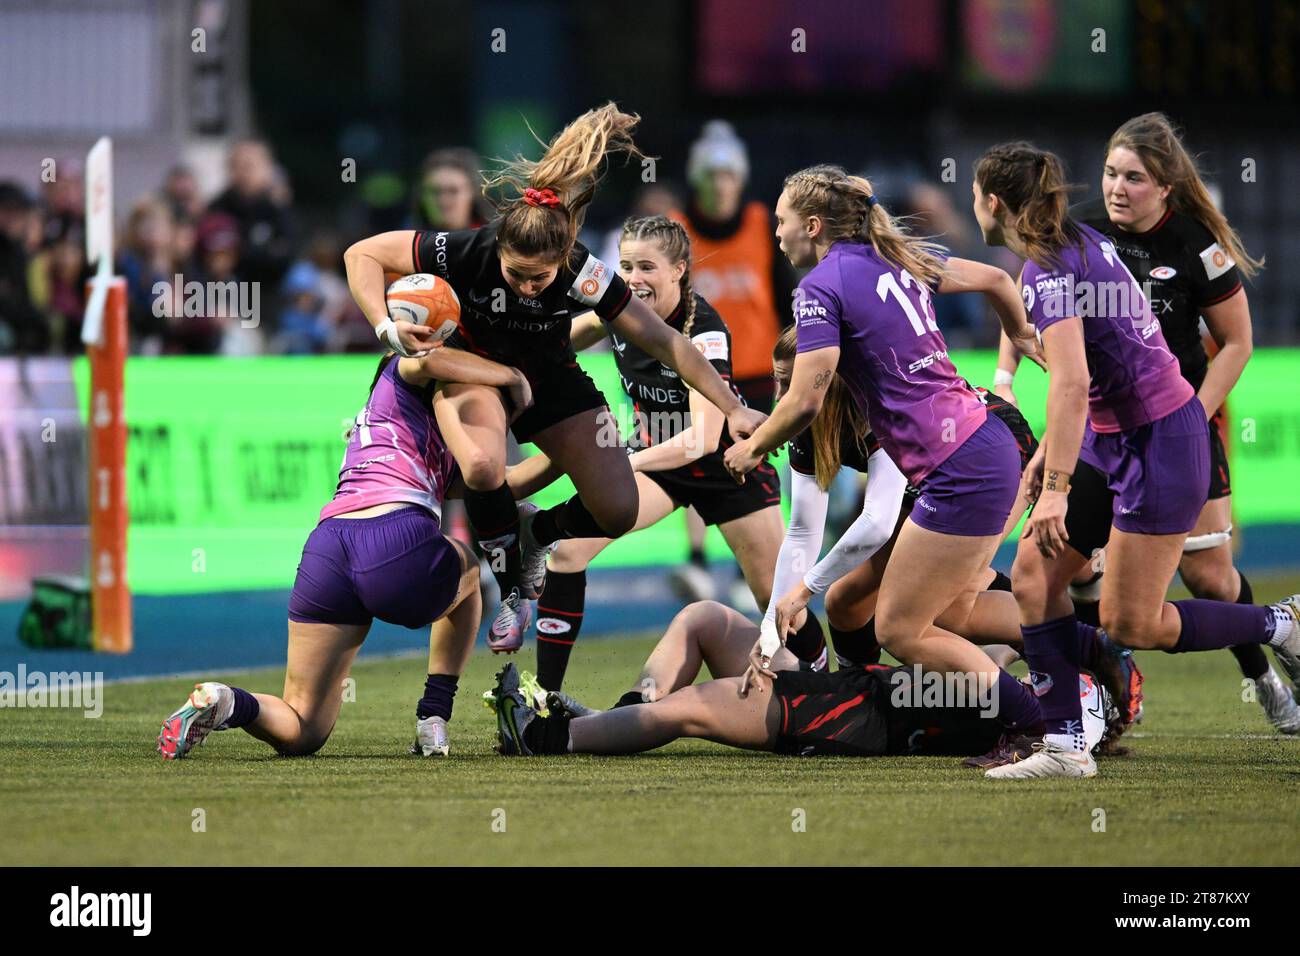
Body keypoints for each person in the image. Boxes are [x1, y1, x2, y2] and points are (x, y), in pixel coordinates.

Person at [341, 104, 767, 654]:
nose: (525, 287)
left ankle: (535, 532)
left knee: (618, 509)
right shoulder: (469, 249)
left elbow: (666, 341)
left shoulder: (584, 272)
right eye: (514, 275)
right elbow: (362, 253)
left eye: (538, 278)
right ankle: (514, 589)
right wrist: (384, 326)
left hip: (550, 377)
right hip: (479, 372)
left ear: (563, 258)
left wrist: (731, 407)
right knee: (480, 464)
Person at [971, 141, 1300, 780]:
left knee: (1133, 623)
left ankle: (1279, 623)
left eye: (1134, 176)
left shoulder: (1050, 267)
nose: (1118, 187)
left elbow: (1070, 381)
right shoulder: (1070, 244)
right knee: (1036, 580)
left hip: (1159, 441)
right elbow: (1085, 377)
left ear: (990, 202)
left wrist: (1058, 486)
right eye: (1112, 175)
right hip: (1110, 435)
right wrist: (1053, 454)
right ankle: (1067, 745)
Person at [723, 164, 1047, 751]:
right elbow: (1002, 279)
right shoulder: (896, 261)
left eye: (782, 222)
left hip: (962, 465)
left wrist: (752, 446)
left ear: (813, 226)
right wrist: (1020, 335)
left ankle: (1042, 723)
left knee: (908, 625)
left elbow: (804, 398)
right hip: (976, 448)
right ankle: (1062, 690)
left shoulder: (820, 287)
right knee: (920, 614)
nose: (776, 234)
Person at [156, 341, 544, 760]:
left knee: (303, 729)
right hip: (395, 537)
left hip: (327, 549)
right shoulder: (403, 370)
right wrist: (510, 377)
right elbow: (428, 359)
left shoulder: (395, 427)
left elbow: (503, 484)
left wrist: (575, 459)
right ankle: (433, 716)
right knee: (470, 576)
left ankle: (225, 700)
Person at [529, 215, 789, 693]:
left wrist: (621, 463)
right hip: (659, 463)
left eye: (647, 267)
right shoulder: (618, 311)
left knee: (778, 600)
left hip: (727, 467)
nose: (633, 279)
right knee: (567, 554)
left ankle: (819, 690)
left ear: (679, 270)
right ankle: (544, 699)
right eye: (626, 265)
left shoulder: (703, 329)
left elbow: (701, 442)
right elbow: (565, 336)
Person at [487, 602, 1111, 761]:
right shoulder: (1007, 688)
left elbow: (1003, 651)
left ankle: (548, 740)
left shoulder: (1009, 705)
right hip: (844, 688)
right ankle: (613, 716)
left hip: (843, 718)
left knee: (686, 710)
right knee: (704, 620)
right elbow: (1013, 640)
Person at [409, 147, 496, 231]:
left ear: (473, 193)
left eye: (453, 191)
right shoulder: (403, 242)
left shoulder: (495, 242)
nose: (443, 200)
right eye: (435, 192)